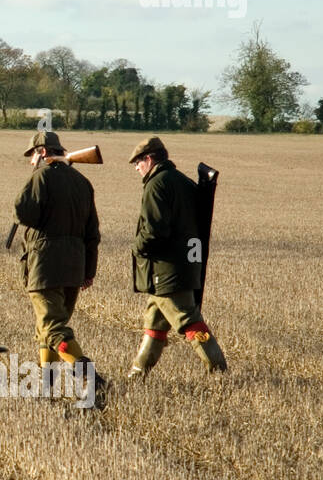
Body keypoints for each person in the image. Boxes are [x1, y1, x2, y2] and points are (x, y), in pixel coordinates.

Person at [126, 137, 228, 379]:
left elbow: (154, 231)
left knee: (191, 323)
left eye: (138, 162)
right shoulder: (182, 181)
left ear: (149, 159)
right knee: (154, 325)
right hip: (184, 266)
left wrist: (137, 247)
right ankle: (137, 374)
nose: (136, 167)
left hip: (166, 271)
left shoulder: (156, 184)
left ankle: (219, 371)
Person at [13, 131, 104, 382]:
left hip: (45, 266)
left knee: (52, 328)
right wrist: (89, 271)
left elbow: (22, 212)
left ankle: (91, 378)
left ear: (42, 152)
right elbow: (93, 234)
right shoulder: (83, 182)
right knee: (48, 329)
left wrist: (34, 180)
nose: (31, 161)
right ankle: (46, 384)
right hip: (75, 268)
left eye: (33, 155)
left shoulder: (41, 176)